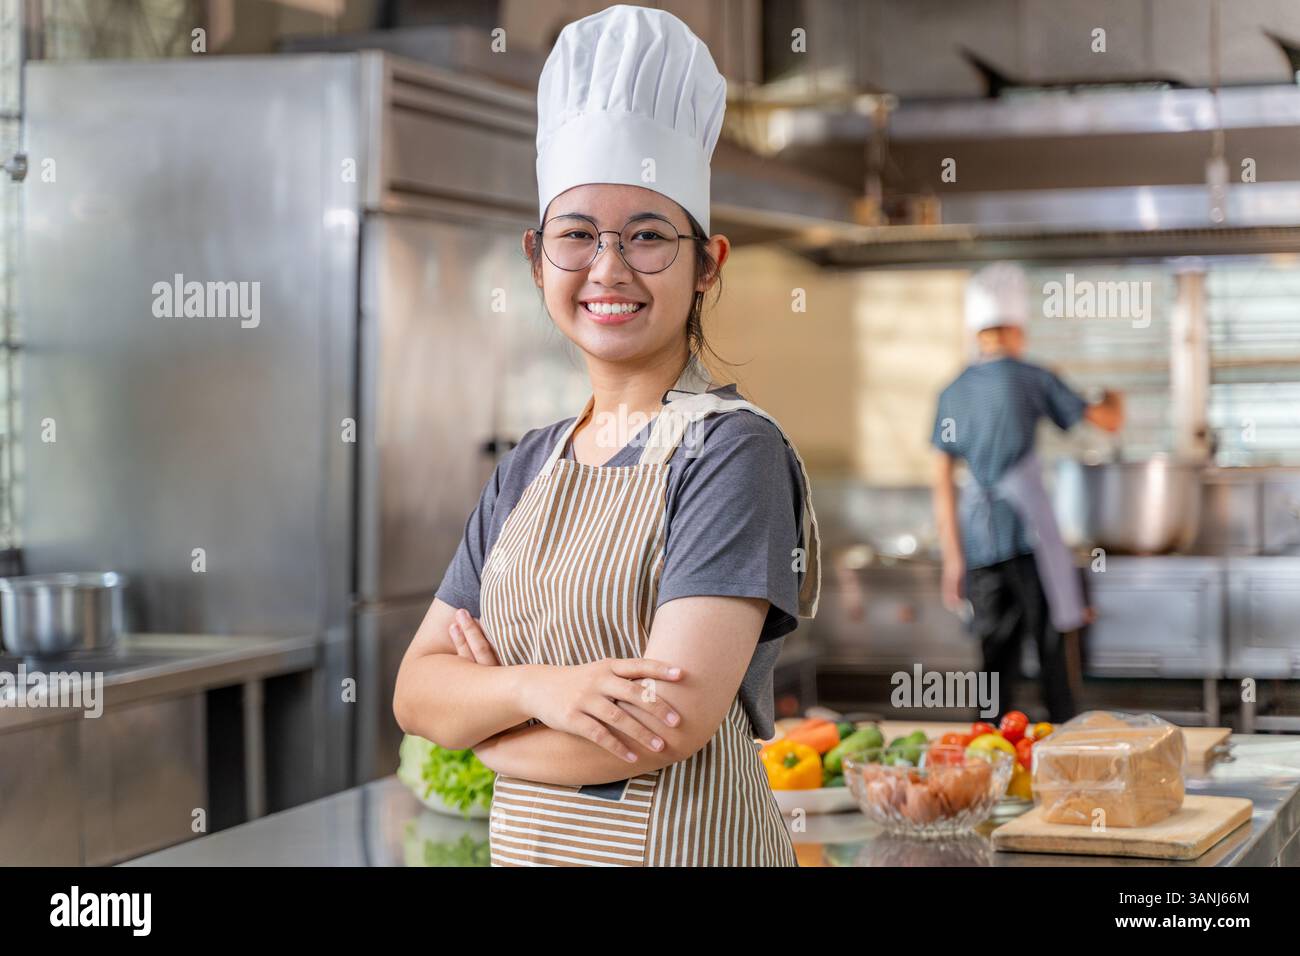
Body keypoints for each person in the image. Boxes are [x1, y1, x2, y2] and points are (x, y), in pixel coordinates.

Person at [393, 4, 821, 867]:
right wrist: (541, 688)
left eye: (649, 237)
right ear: (536, 258)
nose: (609, 269)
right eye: (577, 235)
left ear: (708, 266)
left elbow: (666, 722)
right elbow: (414, 691)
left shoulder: (731, 453)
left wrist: (483, 731)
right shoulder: (528, 465)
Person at [929, 262, 1124, 723]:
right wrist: (1111, 397)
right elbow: (1107, 422)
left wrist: (953, 558)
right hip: (1028, 541)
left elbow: (941, 482)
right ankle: (1065, 749)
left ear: (978, 331)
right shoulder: (1033, 377)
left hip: (979, 546)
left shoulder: (951, 392)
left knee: (994, 666)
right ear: (1017, 327)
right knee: (1053, 655)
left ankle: (986, 764)